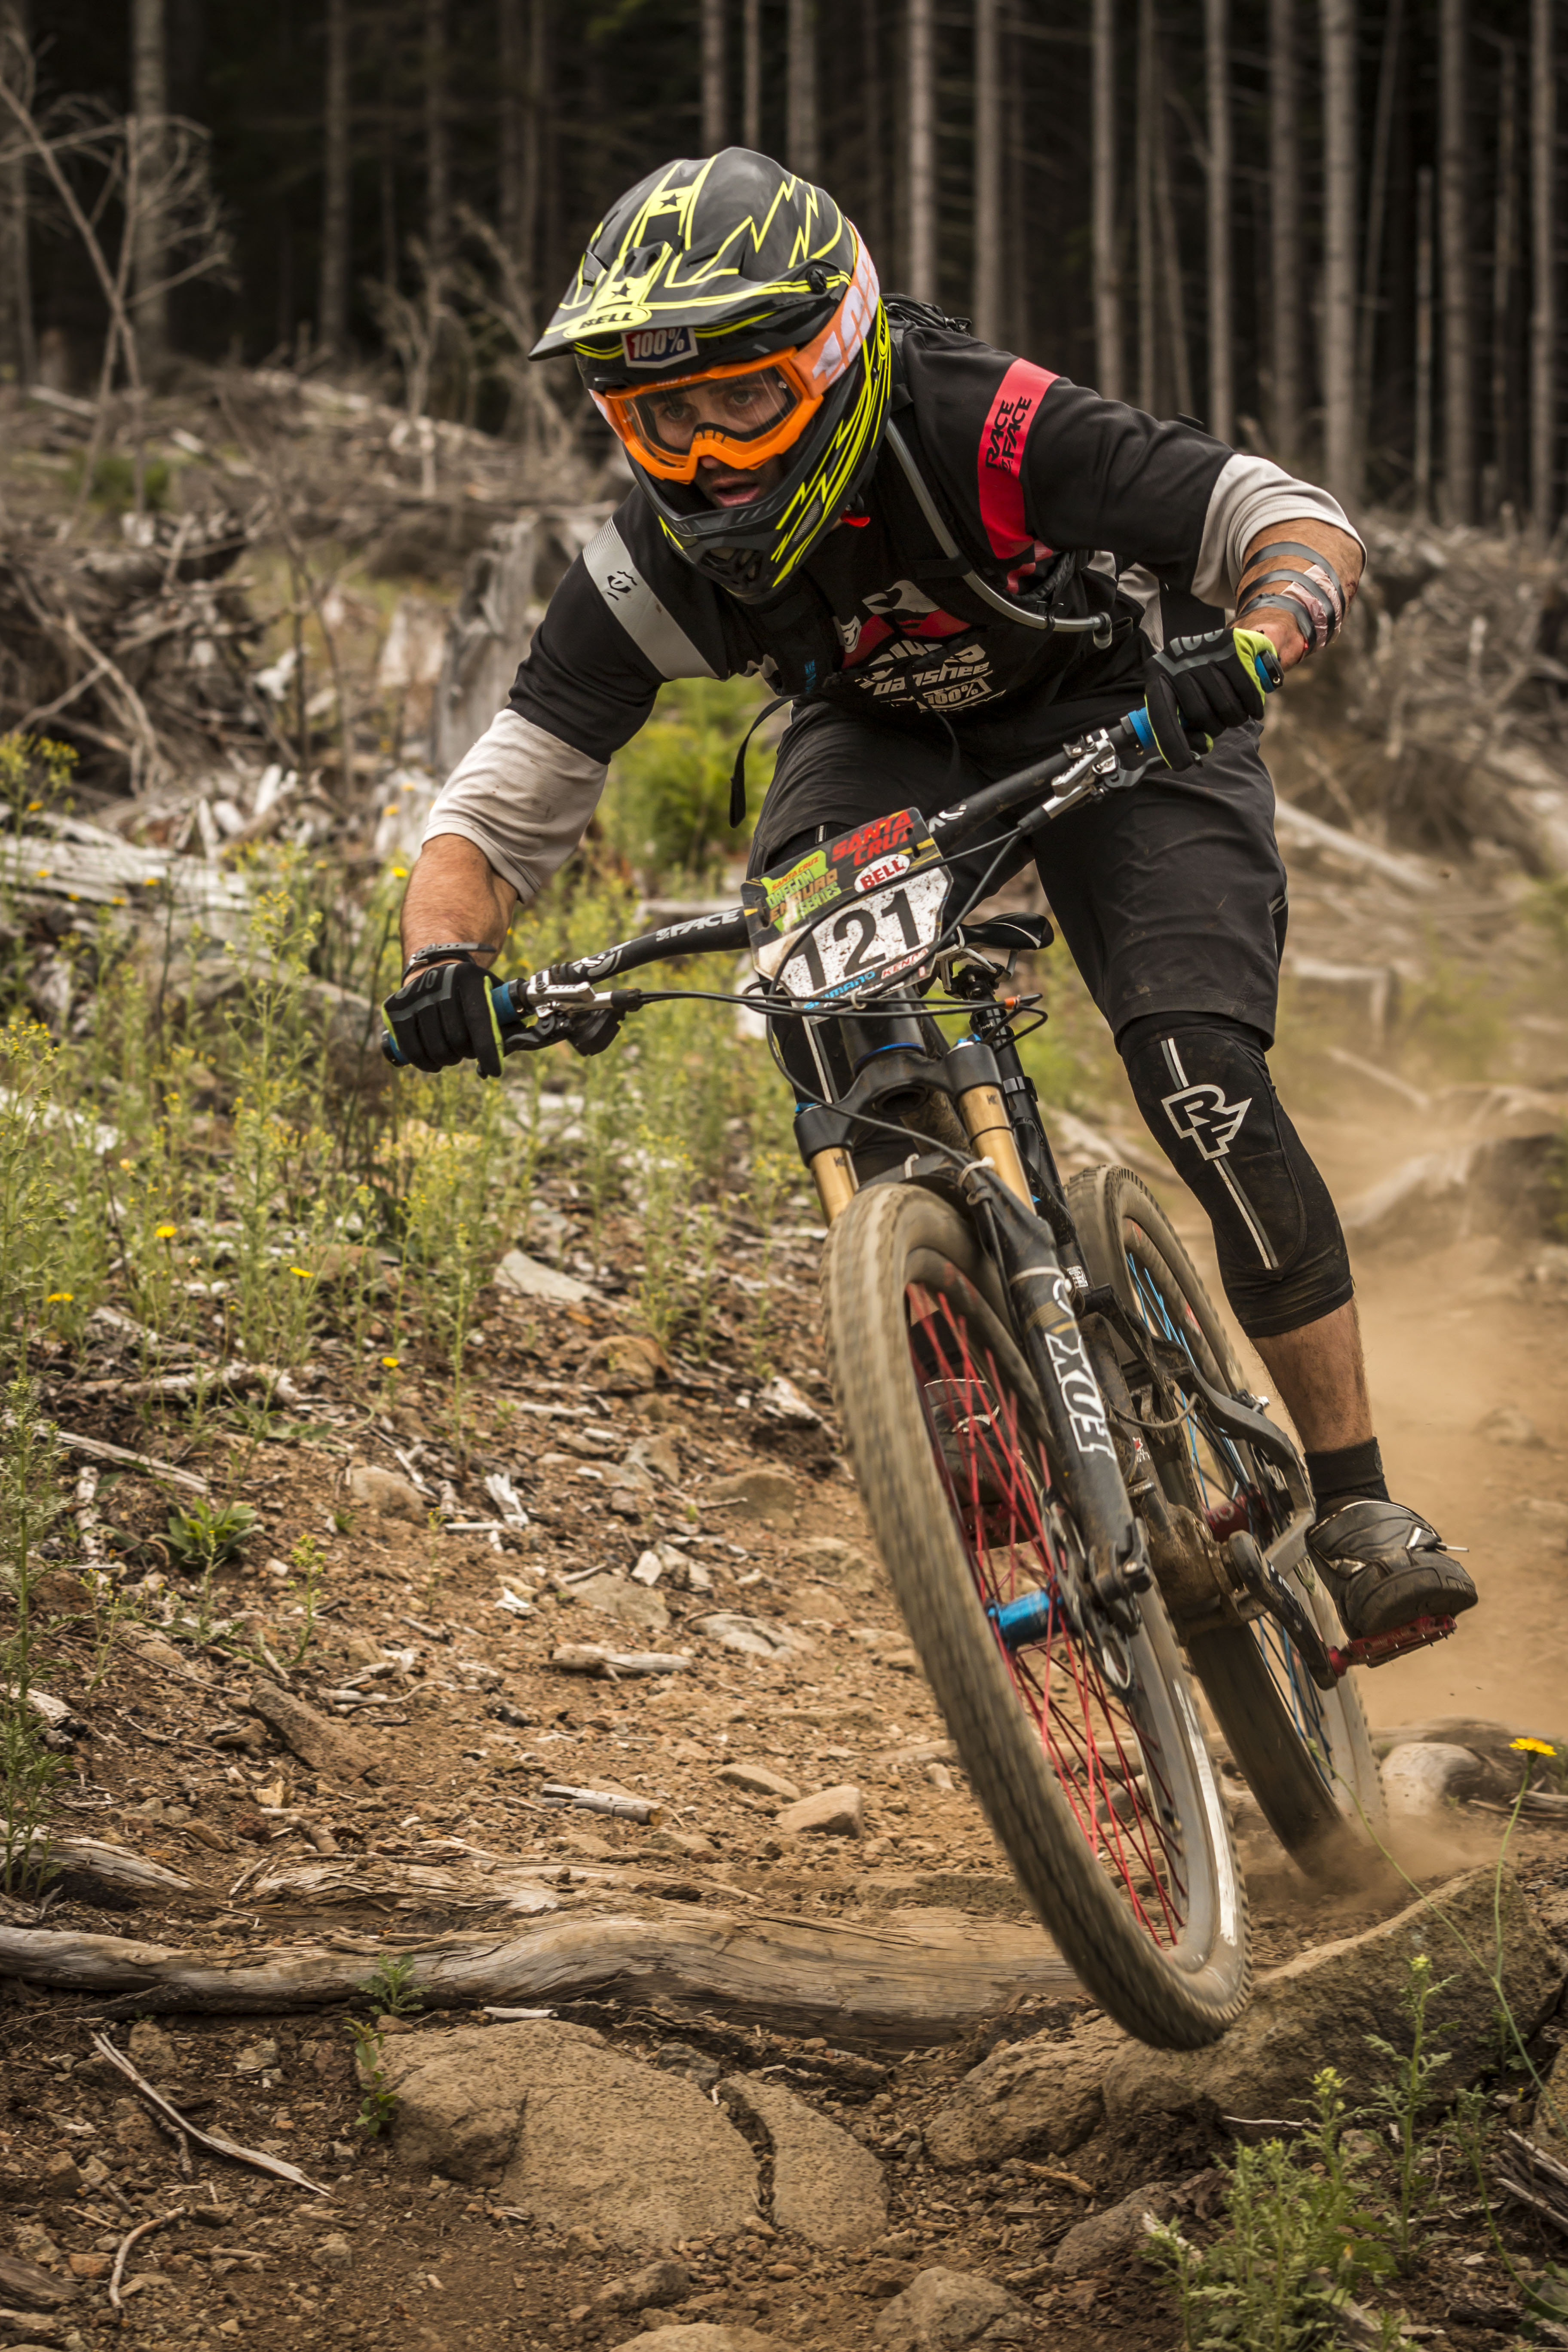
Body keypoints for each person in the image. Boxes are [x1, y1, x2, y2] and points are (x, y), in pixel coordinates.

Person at [385, 148, 1476, 1648]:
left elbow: (1284, 516)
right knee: (819, 980)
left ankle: (1356, 1502)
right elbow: (502, 806)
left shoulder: (989, 427)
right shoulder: (648, 564)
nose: (706, 458)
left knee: (1197, 1072)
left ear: (832, 361)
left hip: (1122, 713)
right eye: (659, 418)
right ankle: (958, 1361)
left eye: (743, 401)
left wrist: (1258, 641)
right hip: (883, 737)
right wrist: (445, 963)